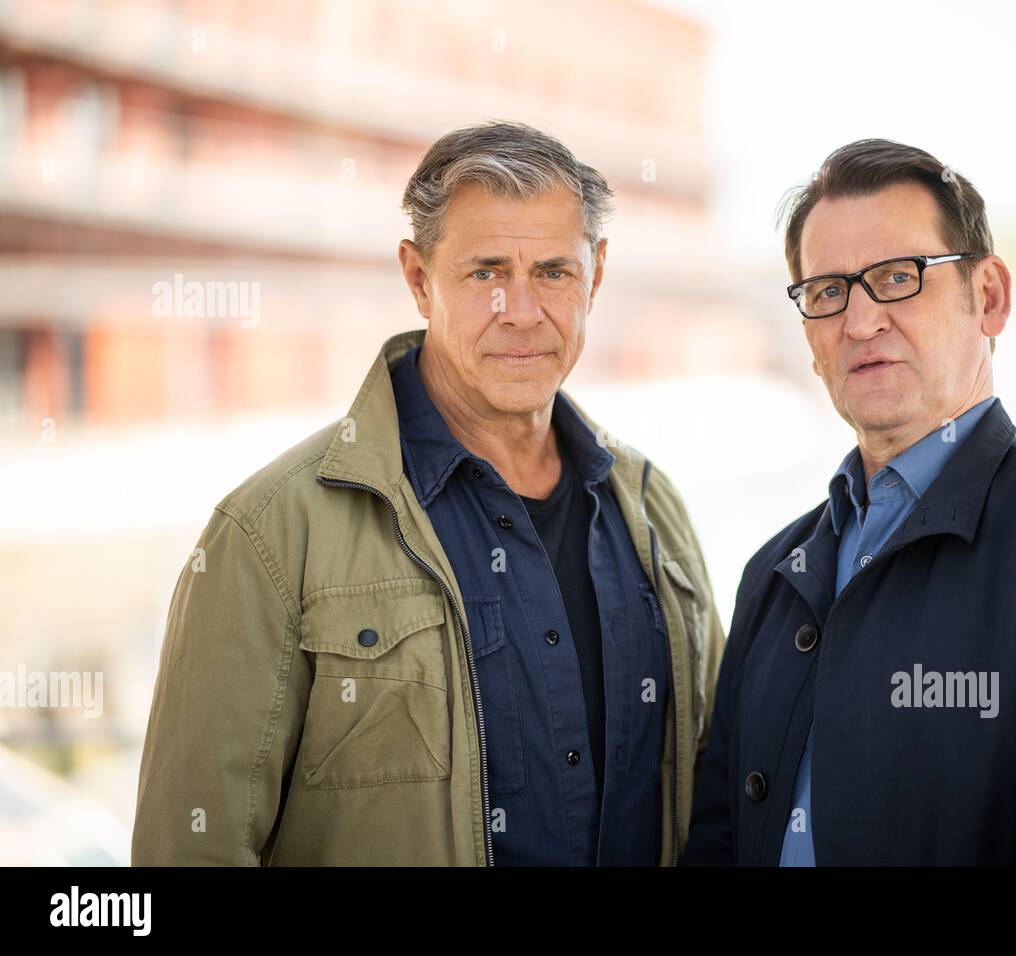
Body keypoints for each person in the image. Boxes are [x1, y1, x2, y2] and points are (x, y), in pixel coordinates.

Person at [133, 120, 724, 866]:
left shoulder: (652, 509)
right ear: (418, 279)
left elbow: (717, 794)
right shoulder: (270, 533)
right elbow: (188, 851)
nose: (521, 310)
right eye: (485, 273)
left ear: (596, 275)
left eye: (553, 272)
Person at [683, 138, 1016, 866]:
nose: (860, 322)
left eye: (897, 277)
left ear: (989, 297)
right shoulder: (773, 575)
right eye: (827, 292)